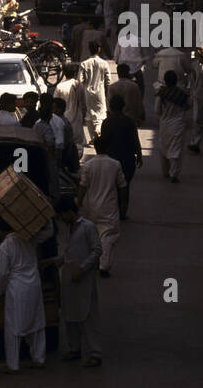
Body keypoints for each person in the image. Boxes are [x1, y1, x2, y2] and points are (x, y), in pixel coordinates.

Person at [0, 219, 55, 372]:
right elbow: (49, 232)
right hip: (34, 285)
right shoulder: (29, 237)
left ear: (2, 231)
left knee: (13, 327)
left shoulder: (5, 246)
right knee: (36, 323)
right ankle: (39, 359)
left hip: (16, 288)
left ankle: (13, 365)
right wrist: (47, 217)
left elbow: (2, 273)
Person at [54, 193, 102, 366]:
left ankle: (95, 353)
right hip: (69, 279)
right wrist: (53, 263)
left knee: (88, 315)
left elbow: (97, 251)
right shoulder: (69, 229)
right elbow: (67, 254)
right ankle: (74, 348)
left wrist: (82, 269)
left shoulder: (87, 227)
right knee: (70, 315)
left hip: (84, 279)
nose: (60, 218)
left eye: (61, 214)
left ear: (68, 212)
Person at [77, 136, 125, 276]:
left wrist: (79, 202)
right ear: (108, 147)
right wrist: (123, 205)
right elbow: (122, 186)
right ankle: (104, 266)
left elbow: (83, 186)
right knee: (108, 236)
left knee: (93, 234)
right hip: (109, 207)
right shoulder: (115, 164)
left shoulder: (88, 165)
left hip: (92, 207)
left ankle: (92, 262)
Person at [99, 95, 142, 219]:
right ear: (123, 107)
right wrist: (139, 155)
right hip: (127, 158)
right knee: (125, 185)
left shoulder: (107, 122)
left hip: (111, 158)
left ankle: (113, 209)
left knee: (112, 185)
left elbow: (104, 141)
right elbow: (135, 139)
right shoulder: (129, 121)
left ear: (111, 107)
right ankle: (123, 212)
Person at [155, 70, 190, 183]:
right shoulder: (182, 94)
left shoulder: (162, 93)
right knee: (176, 148)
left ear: (165, 81)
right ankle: (174, 173)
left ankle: (165, 171)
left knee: (164, 147)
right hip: (178, 124)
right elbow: (188, 106)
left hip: (164, 124)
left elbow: (157, 110)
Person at [80, 41, 110, 145]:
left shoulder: (84, 63)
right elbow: (108, 80)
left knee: (89, 114)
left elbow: (80, 80)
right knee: (101, 113)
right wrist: (107, 93)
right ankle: (98, 128)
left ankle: (93, 138)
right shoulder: (104, 63)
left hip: (87, 92)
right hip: (100, 93)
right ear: (99, 49)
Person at [55, 63, 87, 155]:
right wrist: (83, 115)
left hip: (63, 118)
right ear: (74, 73)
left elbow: (55, 103)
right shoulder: (79, 85)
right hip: (77, 118)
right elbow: (83, 103)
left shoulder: (60, 86)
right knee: (78, 144)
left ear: (64, 73)